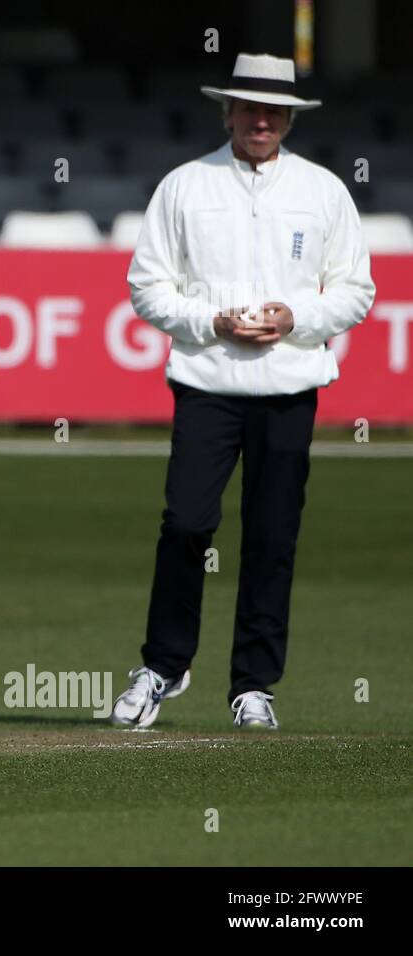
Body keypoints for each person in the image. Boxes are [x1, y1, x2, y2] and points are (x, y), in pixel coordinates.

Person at [109, 54, 375, 730]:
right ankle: (164, 666)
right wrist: (211, 322)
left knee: (272, 535)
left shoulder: (322, 191)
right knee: (187, 523)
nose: (261, 120)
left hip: (289, 384)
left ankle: (253, 685)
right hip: (207, 381)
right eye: (249, 108)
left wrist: (296, 319)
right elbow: (147, 286)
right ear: (226, 111)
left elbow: (355, 290)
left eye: (273, 110)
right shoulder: (184, 186)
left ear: (288, 118)